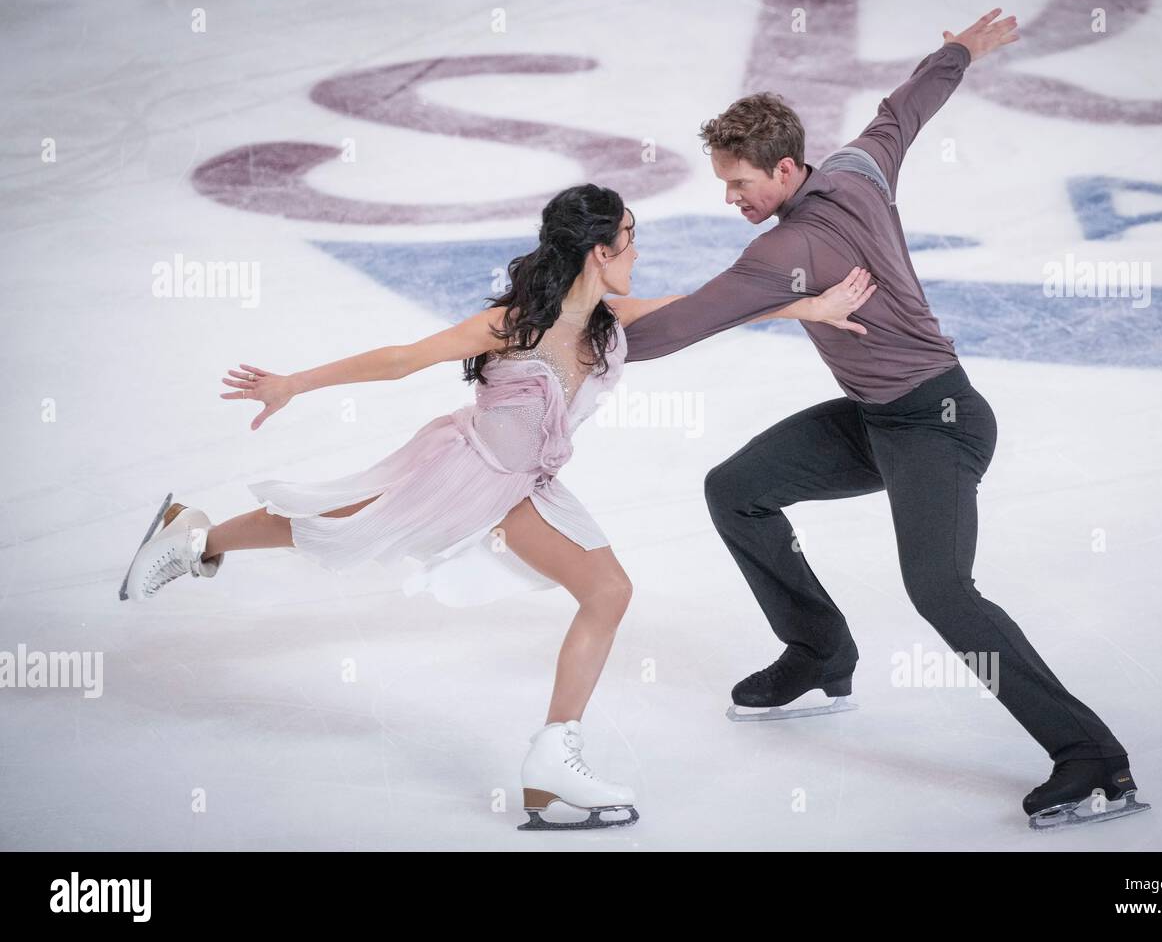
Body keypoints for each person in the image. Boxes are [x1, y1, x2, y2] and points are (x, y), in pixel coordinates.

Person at [118, 183, 871, 831]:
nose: (638, 253)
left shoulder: (610, 323)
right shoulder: (518, 324)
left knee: (606, 589)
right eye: (630, 241)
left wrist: (807, 307)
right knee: (330, 523)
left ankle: (552, 761)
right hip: (461, 469)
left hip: (522, 488)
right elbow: (403, 359)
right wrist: (294, 382)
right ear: (596, 254)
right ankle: (195, 536)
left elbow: (706, 310)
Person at [620, 10, 1150, 829]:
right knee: (737, 489)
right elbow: (905, 108)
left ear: (787, 166)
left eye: (739, 183)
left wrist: (577, 346)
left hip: (938, 423)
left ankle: (1090, 756)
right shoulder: (860, 166)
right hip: (877, 418)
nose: (730, 198)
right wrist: (959, 50)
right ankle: (820, 648)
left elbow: (680, 325)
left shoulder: (783, 254)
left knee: (939, 588)